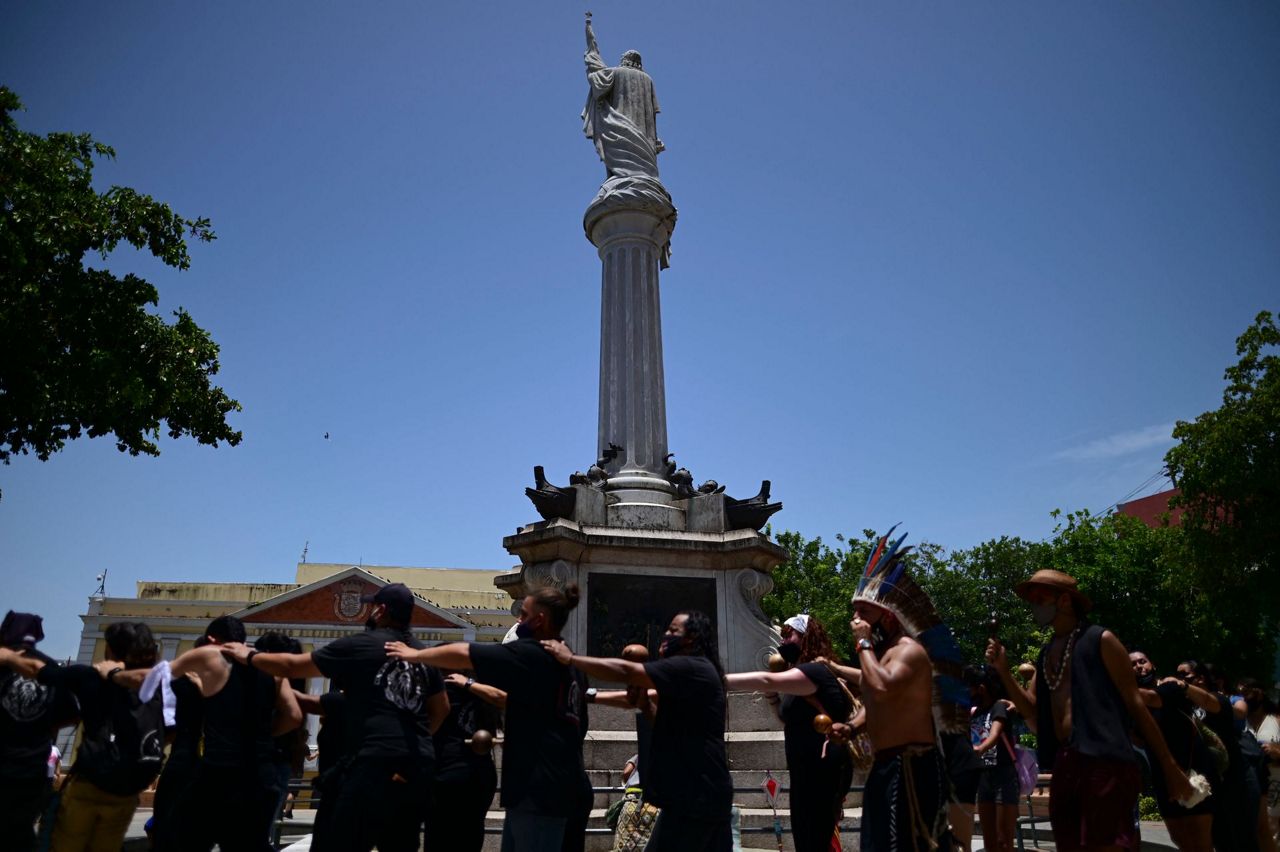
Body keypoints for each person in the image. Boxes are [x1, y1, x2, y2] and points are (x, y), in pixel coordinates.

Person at [221, 584, 448, 852]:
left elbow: (292, 665)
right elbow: (441, 708)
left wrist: (249, 655)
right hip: (419, 765)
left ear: (381, 610)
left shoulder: (361, 644)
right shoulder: (423, 654)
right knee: (400, 843)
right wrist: (412, 740)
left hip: (374, 763)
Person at [987, 569, 1192, 852]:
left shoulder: (1102, 640)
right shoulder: (1046, 654)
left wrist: (1170, 768)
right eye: (1031, 598)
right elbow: (1034, 715)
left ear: (1065, 601)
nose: (1034, 604)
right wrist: (1003, 671)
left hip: (1106, 760)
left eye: (1040, 597)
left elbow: (1135, 704)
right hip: (1066, 763)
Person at [386, 584, 588, 852]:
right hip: (558, 784)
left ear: (540, 620)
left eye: (524, 615)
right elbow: (580, 727)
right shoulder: (572, 664)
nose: (519, 621)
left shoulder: (533, 654)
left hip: (538, 791)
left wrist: (414, 654)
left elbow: (463, 653)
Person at [540, 610, 733, 852]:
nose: (666, 635)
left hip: (697, 795)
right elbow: (663, 720)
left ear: (691, 637)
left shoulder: (691, 667)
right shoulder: (689, 676)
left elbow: (627, 672)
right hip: (696, 793)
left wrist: (570, 659)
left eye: (674, 631)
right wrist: (642, 705)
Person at [3, 622, 164, 852]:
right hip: (126, 790)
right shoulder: (154, 685)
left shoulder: (89, 677)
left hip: (89, 782)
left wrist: (10, 657)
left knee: (66, 845)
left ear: (109, 649)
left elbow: (42, 671)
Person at [723, 614, 853, 852]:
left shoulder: (814, 671)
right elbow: (787, 719)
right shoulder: (800, 677)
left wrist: (717, 680)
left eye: (788, 635)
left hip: (821, 768)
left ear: (807, 638)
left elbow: (765, 678)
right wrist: (772, 697)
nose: (782, 642)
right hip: (805, 769)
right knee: (807, 837)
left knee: (814, 839)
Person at [0, 612, 74, 852]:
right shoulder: (50, 668)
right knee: (20, 830)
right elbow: (72, 713)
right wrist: (43, 727)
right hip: (31, 766)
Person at [1129, 650, 1216, 852]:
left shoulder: (1170, 686)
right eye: (1132, 665)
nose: (1139, 666)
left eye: (1143, 661)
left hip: (1194, 773)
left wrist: (1117, 688)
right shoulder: (1131, 705)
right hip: (1164, 779)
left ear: (1153, 665)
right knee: (1181, 840)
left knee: (1201, 843)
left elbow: (1152, 699)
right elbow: (1138, 738)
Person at [1176, 660, 1259, 852]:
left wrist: (1183, 686)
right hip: (1212, 782)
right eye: (1177, 675)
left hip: (1235, 779)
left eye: (1184, 675)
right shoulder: (1186, 706)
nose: (1179, 679)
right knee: (1221, 838)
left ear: (1200, 678)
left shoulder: (1217, 699)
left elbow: (1229, 708)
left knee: (1243, 837)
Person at [427, 670, 504, 852]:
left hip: (445, 771)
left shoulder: (441, 690)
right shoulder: (482, 691)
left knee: (438, 837)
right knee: (471, 836)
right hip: (480, 774)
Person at [582, 13, 663, 181]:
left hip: (619, 127)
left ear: (624, 60)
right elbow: (653, 116)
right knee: (644, 176)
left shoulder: (615, 73)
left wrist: (591, 56)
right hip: (645, 138)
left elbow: (598, 80)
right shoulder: (648, 80)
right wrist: (655, 142)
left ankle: (617, 178)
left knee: (618, 166)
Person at [967, 665, 1020, 852]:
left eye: (970, 688)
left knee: (1003, 841)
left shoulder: (999, 706)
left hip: (1003, 776)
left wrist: (980, 748)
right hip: (983, 778)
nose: (968, 693)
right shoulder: (973, 713)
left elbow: (995, 734)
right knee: (989, 843)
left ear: (981, 688)